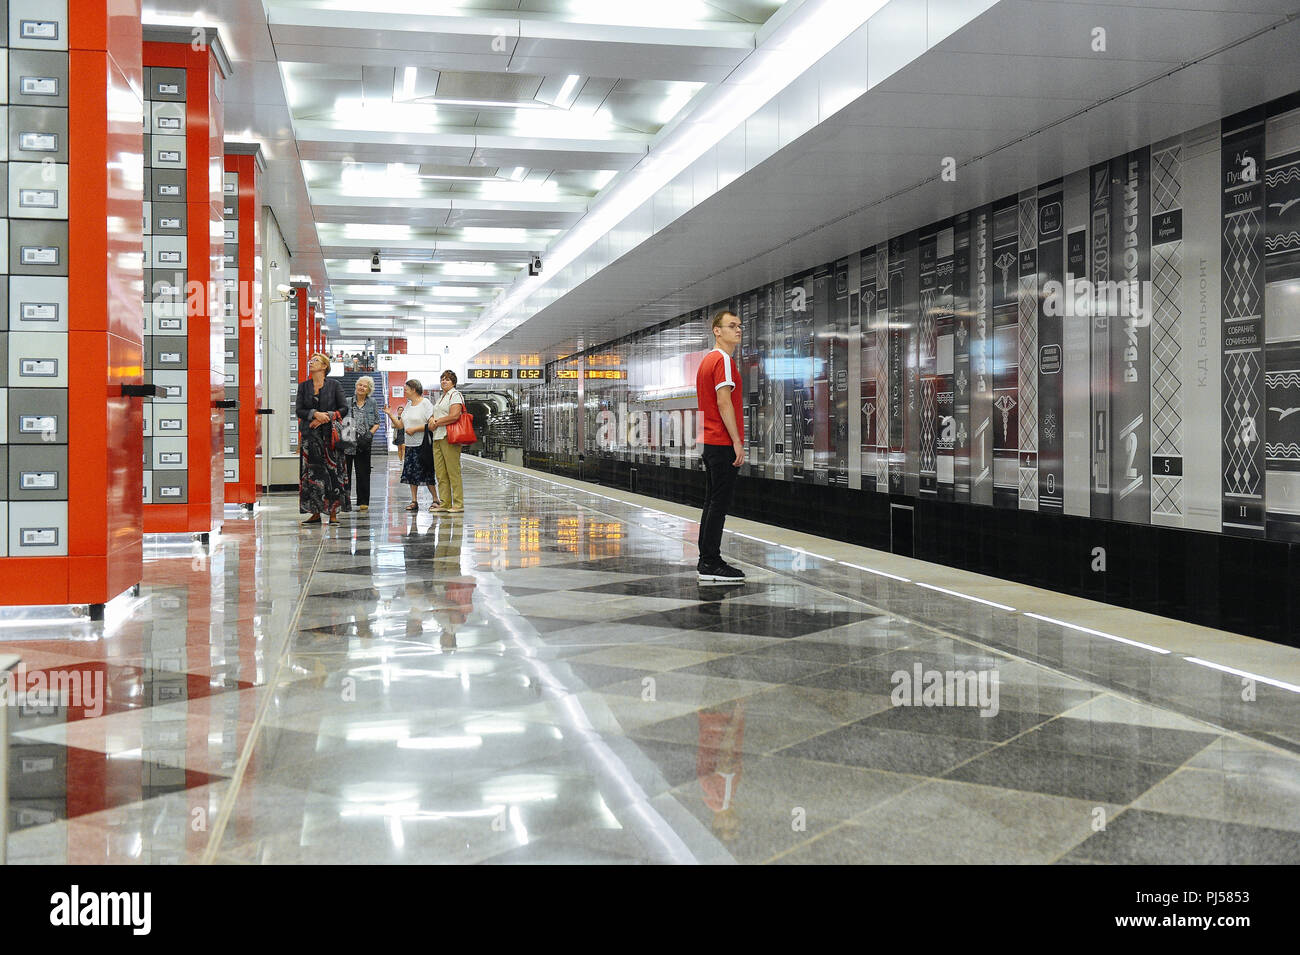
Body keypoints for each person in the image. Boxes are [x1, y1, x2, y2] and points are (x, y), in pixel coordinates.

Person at [695, 310, 746, 581]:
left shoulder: (706, 361)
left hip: (710, 441)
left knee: (711, 502)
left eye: (739, 325)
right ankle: (710, 561)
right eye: (731, 325)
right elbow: (724, 401)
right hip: (722, 441)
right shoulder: (723, 360)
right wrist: (737, 441)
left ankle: (707, 558)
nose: (738, 330)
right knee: (719, 504)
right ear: (717, 331)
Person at [296, 353, 350, 524]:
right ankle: (315, 512)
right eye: (310, 361)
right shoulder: (303, 387)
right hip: (310, 438)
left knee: (332, 473)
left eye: (315, 361)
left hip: (330, 438)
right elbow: (299, 410)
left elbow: (344, 409)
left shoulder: (335, 385)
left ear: (325, 366)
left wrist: (326, 415)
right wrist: (314, 414)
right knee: (311, 475)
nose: (311, 363)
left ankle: (333, 512)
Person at [397, 378, 442, 511]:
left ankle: (435, 499)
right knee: (411, 474)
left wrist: (415, 429)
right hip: (410, 445)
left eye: (406, 389)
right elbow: (400, 425)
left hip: (423, 444)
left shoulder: (425, 403)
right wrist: (390, 415)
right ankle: (414, 501)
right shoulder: (408, 405)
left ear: (414, 389)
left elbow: (431, 424)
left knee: (427, 471)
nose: (404, 391)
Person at [428, 370, 467, 513]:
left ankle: (458, 503)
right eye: (442, 379)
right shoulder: (441, 397)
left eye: (448, 379)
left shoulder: (455, 395)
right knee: (440, 473)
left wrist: (436, 422)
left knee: (453, 471)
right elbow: (435, 414)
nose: (444, 381)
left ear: (453, 382)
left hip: (449, 437)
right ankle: (444, 503)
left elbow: (455, 415)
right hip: (438, 437)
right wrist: (432, 420)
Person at [346, 375, 384, 511]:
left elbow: (377, 422)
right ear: (356, 386)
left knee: (363, 473)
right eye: (360, 385)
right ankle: (345, 501)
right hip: (348, 442)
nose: (361, 387)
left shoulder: (372, 402)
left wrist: (370, 434)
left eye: (365, 386)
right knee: (346, 473)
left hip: (364, 442)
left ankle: (363, 501)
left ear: (369, 389)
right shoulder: (347, 401)